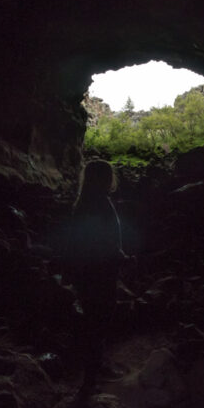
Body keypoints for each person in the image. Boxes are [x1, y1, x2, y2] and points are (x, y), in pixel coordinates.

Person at [60, 159, 130, 392]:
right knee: (99, 322)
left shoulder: (84, 203)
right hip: (100, 273)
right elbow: (103, 241)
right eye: (108, 176)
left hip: (87, 272)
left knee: (93, 320)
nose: (111, 180)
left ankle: (93, 369)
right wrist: (121, 257)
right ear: (104, 179)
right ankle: (90, 380)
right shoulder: (100, 204)